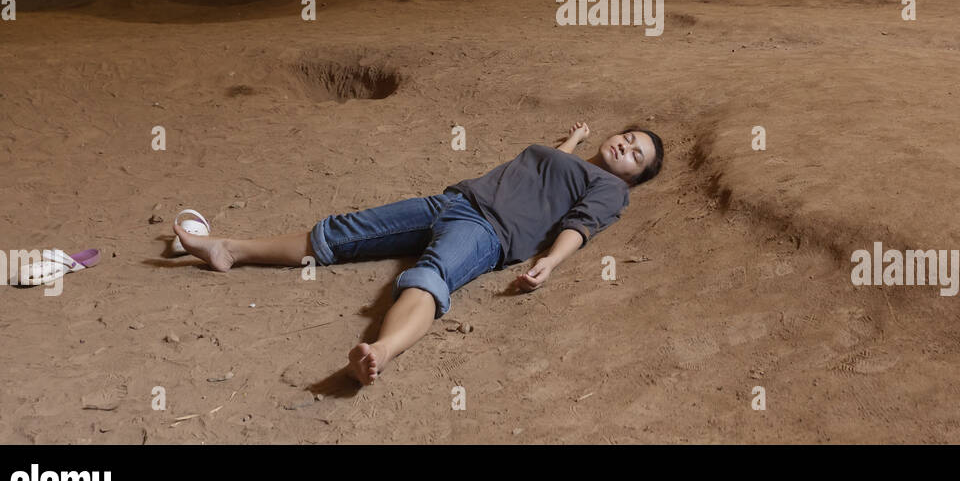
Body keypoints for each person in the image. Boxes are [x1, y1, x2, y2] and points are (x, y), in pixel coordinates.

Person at [174, 123, 663, 385]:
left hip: (487, 230)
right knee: (343, 231)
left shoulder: (610, 191)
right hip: (451, 199)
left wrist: (549, 264)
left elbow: (581, 226)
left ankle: (377, 354)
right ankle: (228, 249)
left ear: (633, 180)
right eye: (629, 137)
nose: (627, 146)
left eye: (637, 155)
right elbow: (551, 170)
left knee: (432, 275)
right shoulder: (575, 162)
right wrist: (574, 139)